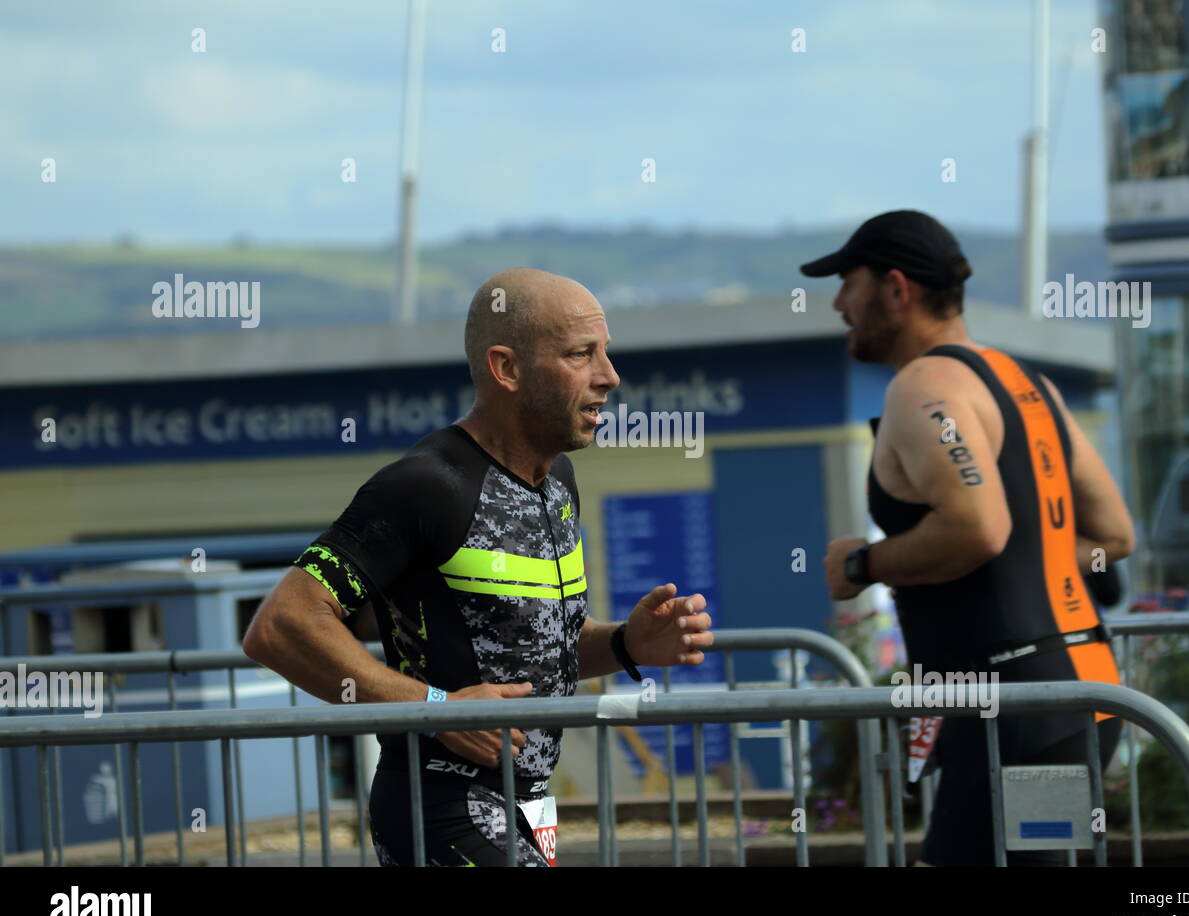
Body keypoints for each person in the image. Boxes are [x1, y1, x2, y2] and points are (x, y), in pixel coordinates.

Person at [243, 267, 714, 867]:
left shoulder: (557, 482)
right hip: (441, 805)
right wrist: (434, 708)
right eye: (580, 354)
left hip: (526, 807)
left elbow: (530, 649)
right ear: (507, 368)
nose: (609, 377)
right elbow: (282, 625)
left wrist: (625, 642)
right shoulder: (424, 485)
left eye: (606, 354)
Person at [803, 210, 1136, 866]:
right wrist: (1032, 564)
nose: (838, 303)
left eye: (849, 282)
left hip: (1014, 713)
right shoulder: (1025, 383)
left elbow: (978, 526)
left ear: (897, 290)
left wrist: (864, 563)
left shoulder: (922, 386)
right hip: (1076, 694)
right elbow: (1113, 537)